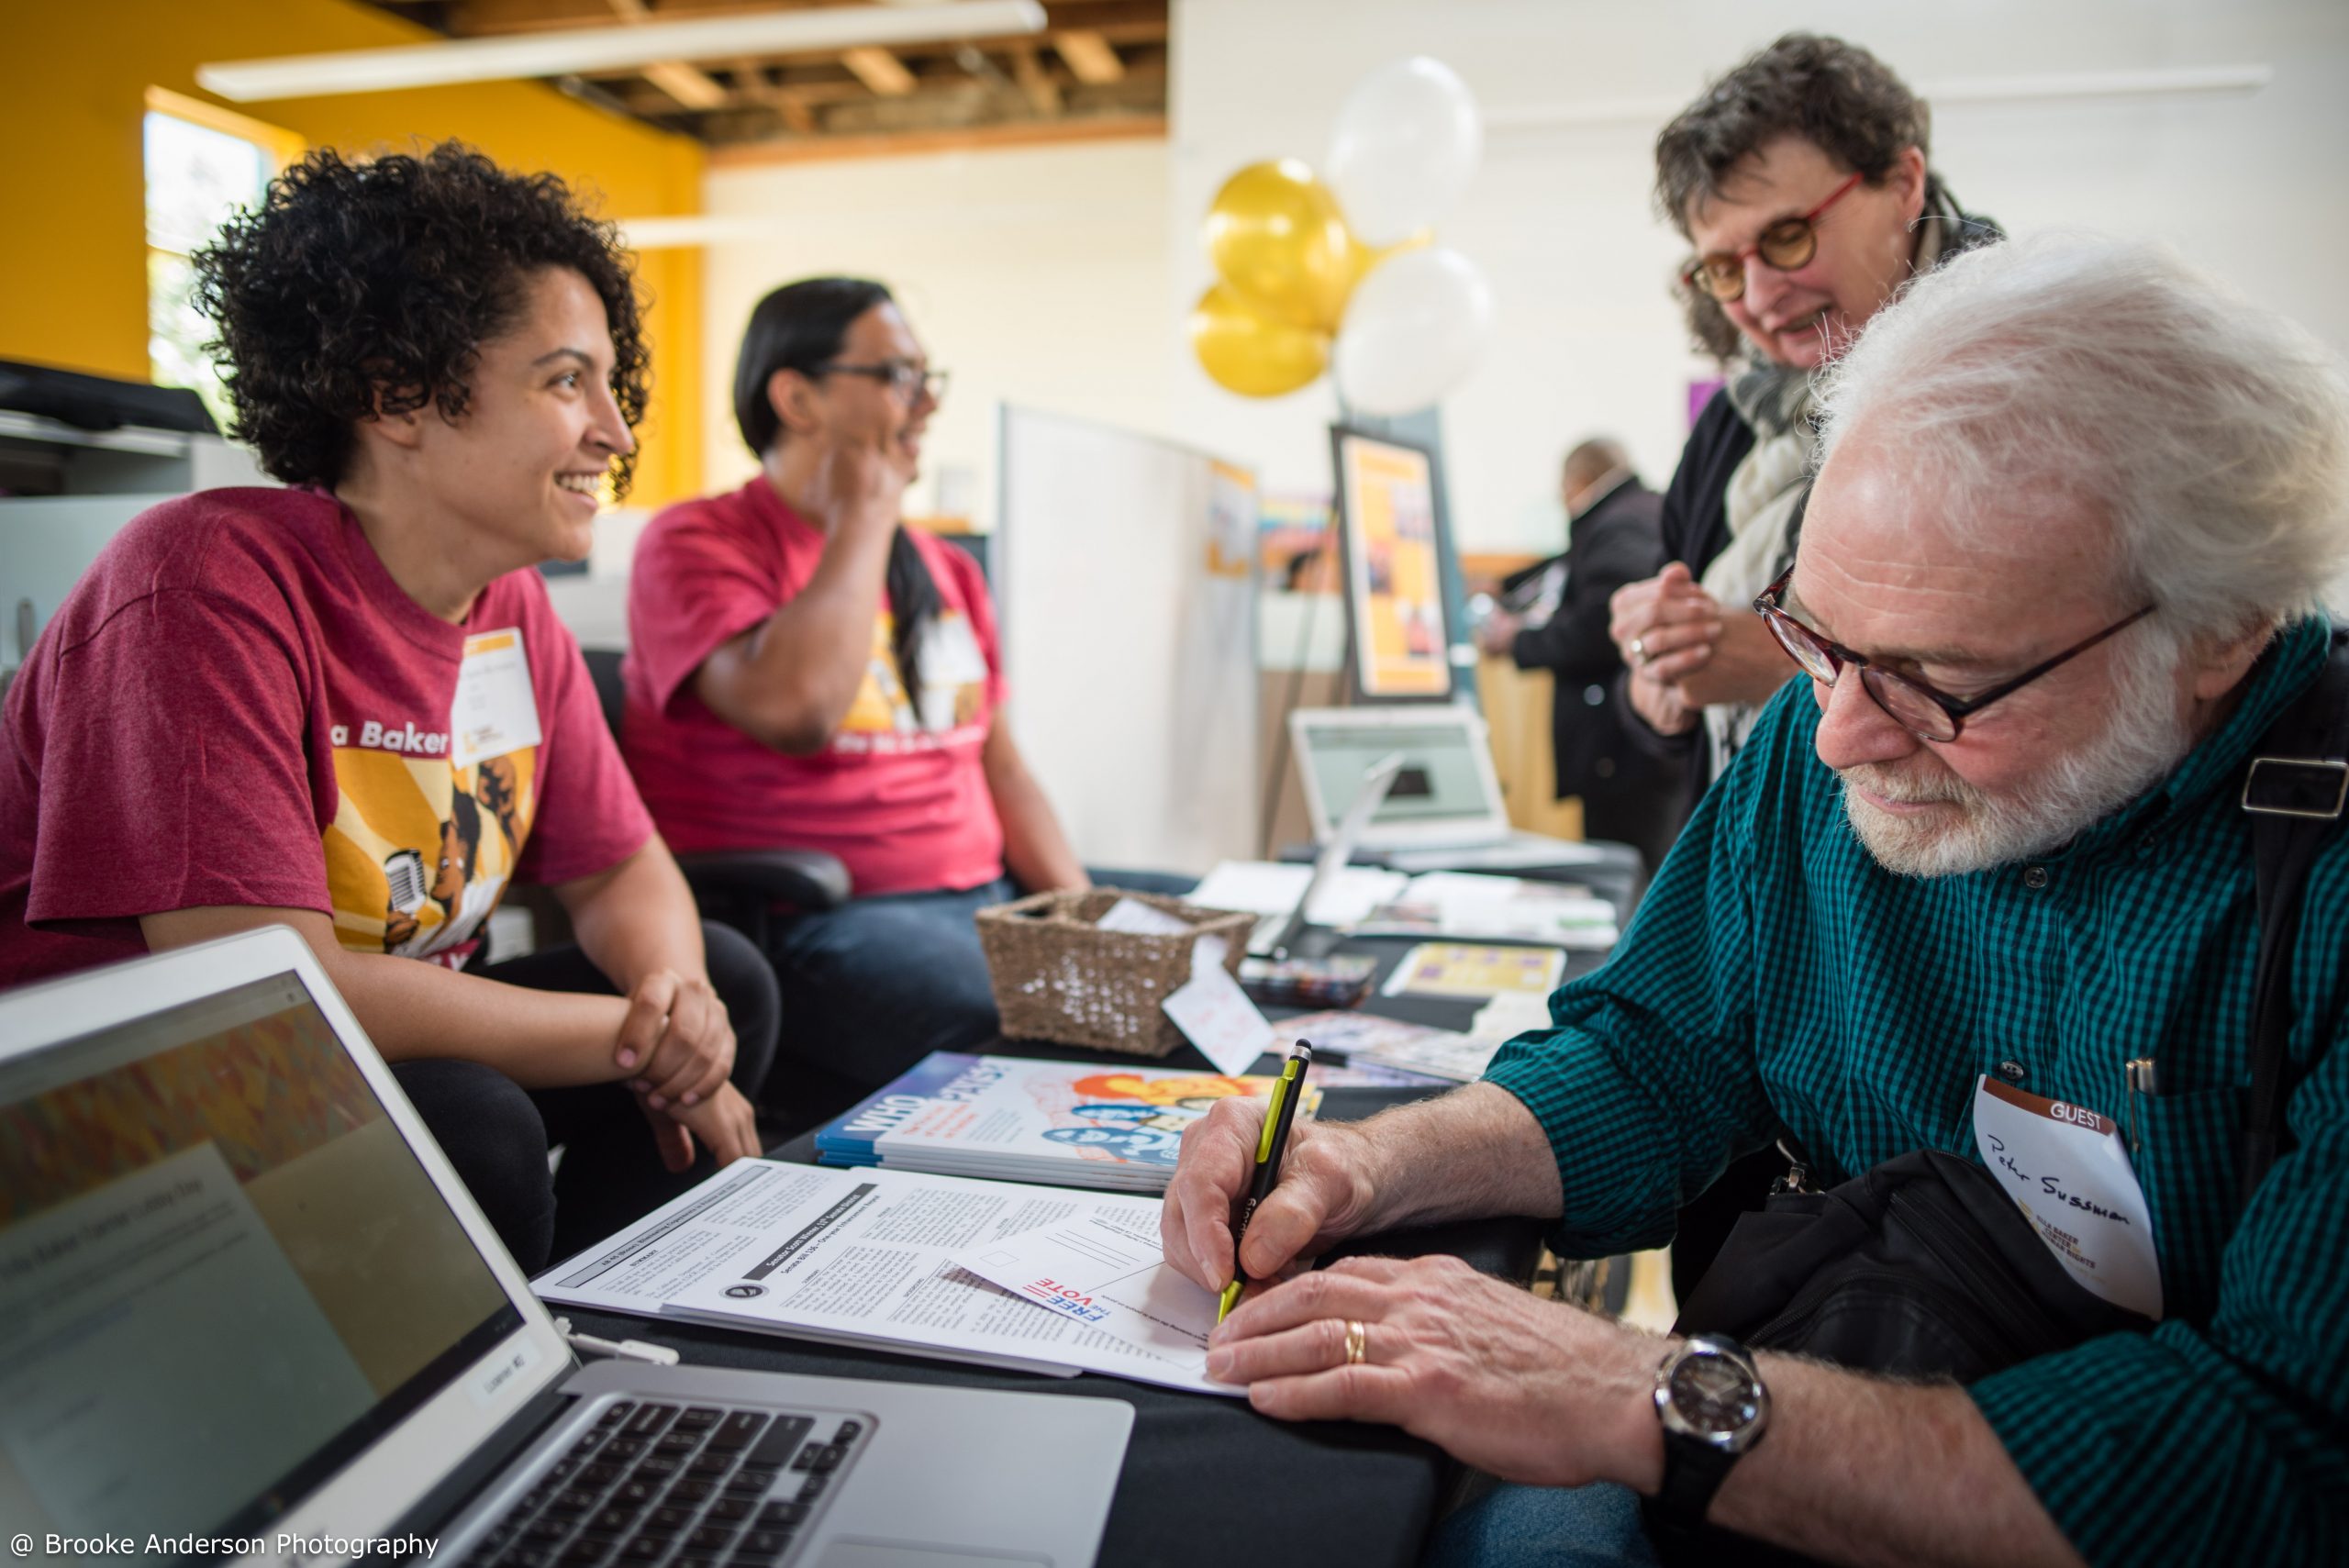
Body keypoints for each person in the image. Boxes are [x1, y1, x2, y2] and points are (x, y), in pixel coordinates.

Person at [1159, 236, 2349, 1566]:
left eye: (1940, 682)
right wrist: (1380, 1159)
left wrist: (1640, 1393)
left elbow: (2286, 1459)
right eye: (1816, 636)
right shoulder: (1824, 731)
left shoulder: (2325, 884)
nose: (1839, 736)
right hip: (1813, 1395)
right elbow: (1660, 1057)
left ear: (2222, 631)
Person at [0, 143, 776, 1273]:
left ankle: (607, 1349)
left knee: (725, 977)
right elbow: (266, 990)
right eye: (566, 381)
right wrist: (635, 1037)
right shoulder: (202, 583)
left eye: (610, 384)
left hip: (313, 1051)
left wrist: (680, 1007)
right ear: (396, 393)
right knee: (466, 1121)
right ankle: (480, 1417)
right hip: (108, 1098)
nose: (614, 430)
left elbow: (617, 868)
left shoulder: (507, 603)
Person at [623, 278, 1123, 1095]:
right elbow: (798, 711)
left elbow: (998, 763)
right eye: (898, 376)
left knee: (1193, 971)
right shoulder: (695, 542)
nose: (924, 403)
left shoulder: (945, 568)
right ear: (796, 395)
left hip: (985, 897)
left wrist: (1082, 914)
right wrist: (863, 518)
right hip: (819, 918)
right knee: (1057, 1035)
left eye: (930, 379)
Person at [1609, 33, 2001, 826]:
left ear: (1903, 182)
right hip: (1753, 869)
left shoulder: (2007, 388)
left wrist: (1783, 668)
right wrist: (1658, 667)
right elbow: (1668, 734)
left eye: (1788, 236)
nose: (1758, 294)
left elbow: (2054, 689)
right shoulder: (1732, 419)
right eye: (1723, 268)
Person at [1477, 439, 1683, 870]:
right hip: (1640, 743)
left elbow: (1602, 627)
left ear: (1579, 482)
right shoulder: (1639, 511)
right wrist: (1508, 583)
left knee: (1627, 870)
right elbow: (1572, 565)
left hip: (1620, 746)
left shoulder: (1617, 525)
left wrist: (1519, 641)